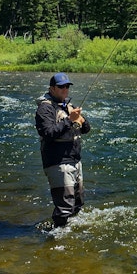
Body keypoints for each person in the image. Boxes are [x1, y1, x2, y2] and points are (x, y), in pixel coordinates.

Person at [35, 72, 92, 227]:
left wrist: (82, 120)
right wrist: (69, 120)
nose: (65, 90)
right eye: (61, 87)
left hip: (74, 160)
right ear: (52, 88)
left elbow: (86, 129)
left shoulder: (68, 106)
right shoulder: (44, 109)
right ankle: (57, 236)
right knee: (64, 207)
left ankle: (72, 233)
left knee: (78, 203)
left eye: (67, 86)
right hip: (58, 163)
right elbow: (48, 133)